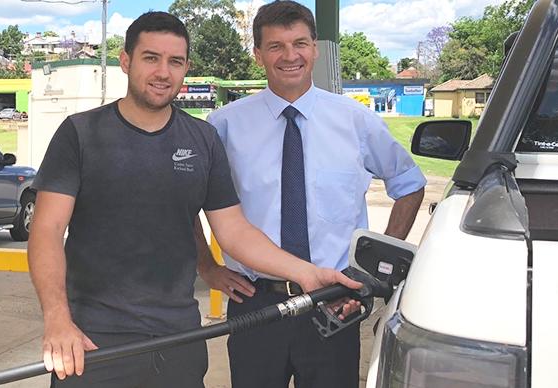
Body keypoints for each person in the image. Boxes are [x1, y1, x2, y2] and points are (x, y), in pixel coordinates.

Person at [27, 10, 362, 388]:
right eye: (151, 58)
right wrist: (57, 318)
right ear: (126, 61)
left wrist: (306, 273)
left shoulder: (202, 139)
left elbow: (233, 230)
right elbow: (48, 229)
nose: (163, 73)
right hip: (93, 340)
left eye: (175, 62)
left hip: (179, 336)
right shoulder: (80, 134)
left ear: (186, 67)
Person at [195, 2, 427, 388]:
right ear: (257, 54)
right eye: (276, 46)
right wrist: (207, 267)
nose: (290, 56)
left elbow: (409, 185)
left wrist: (372, 271)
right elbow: (186, 201)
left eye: (300, 43)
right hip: (255, 302)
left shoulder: (356, 120)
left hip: (336, 303)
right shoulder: (223, 126)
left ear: (315, 49)